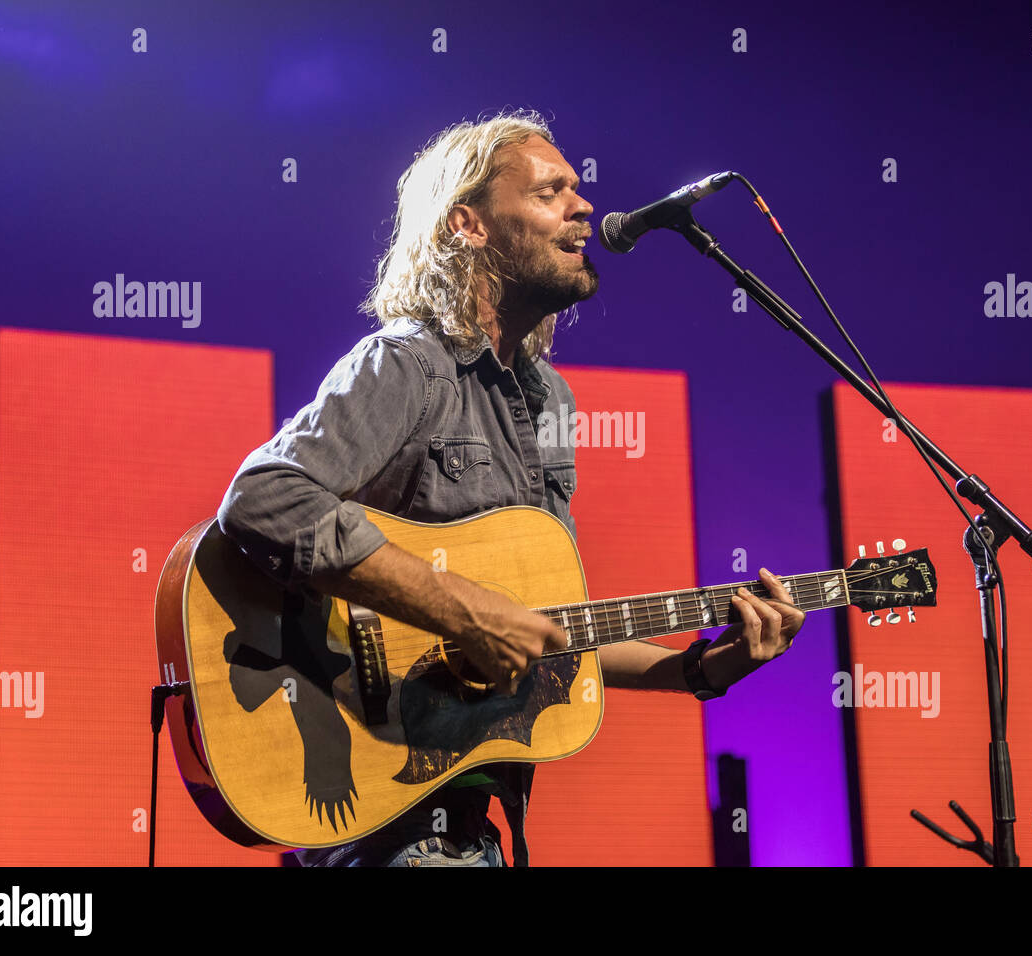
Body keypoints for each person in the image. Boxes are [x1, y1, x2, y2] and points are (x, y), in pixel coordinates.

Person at [216, 109, 804, 867]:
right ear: (469, 224)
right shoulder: (408, 364)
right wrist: (461, 611)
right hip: (379, 810)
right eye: (549, 191)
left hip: (472, 824)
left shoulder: (551, 400)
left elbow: (545, 628)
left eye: (579, 189)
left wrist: (703, 669)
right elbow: (265, 496)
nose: (584, 205)